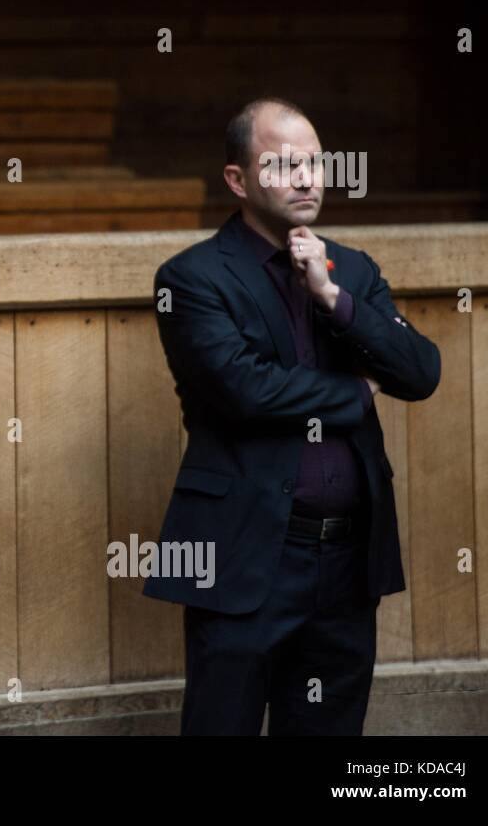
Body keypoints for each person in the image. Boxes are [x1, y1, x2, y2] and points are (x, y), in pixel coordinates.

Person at [144, 98, 441, 735]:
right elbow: (243, 390)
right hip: (246, 551)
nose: (306, 178)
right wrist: (356, 394)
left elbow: (419, 373)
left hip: (347, 562)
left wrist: (333, 298)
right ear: (238, 181)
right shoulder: (192, 277)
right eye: (282, 165)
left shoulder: (353, 270)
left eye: (314, 163)